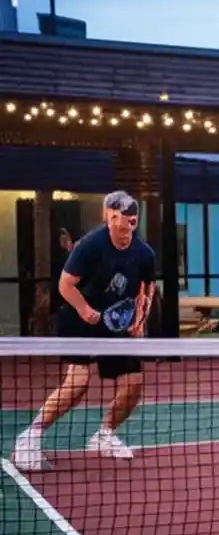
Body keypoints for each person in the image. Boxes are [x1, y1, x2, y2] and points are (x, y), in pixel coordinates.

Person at [8, 191, 157, 471]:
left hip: (115, 322)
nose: (129, 221)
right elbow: (65, 285)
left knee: (134, 383)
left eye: (132, 216)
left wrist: (140, 319)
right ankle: (29, 438)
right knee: (77, 384)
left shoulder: (143, 253)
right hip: (79, 319)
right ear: (110, 216)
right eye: (123, 215)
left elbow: (147, 287)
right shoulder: (90, 246)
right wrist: (85, 310)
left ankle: (105, 435)